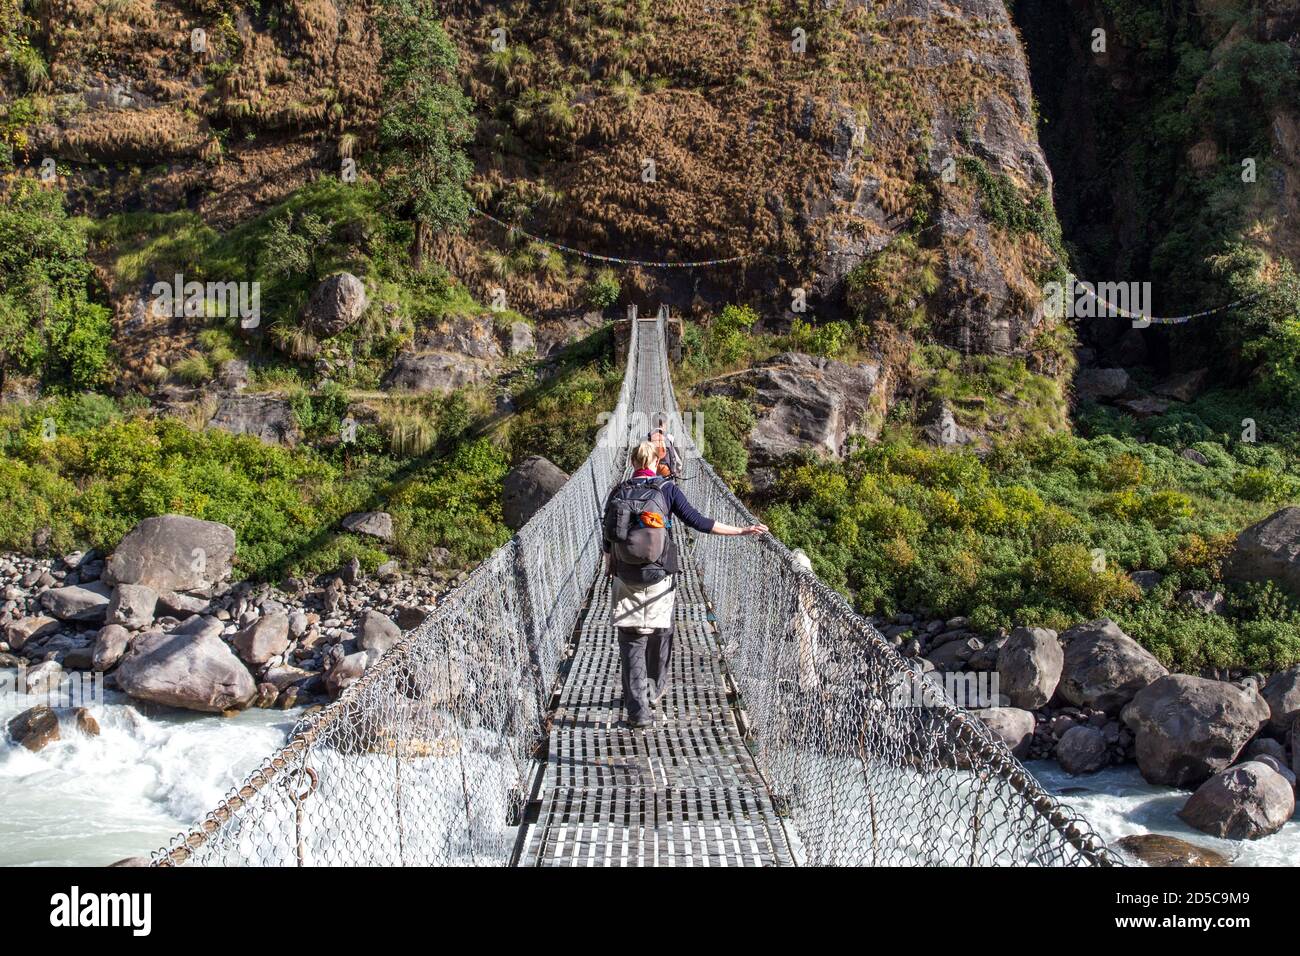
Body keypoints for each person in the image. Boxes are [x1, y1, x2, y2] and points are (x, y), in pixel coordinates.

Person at [602, 441, 766, 728]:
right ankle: (654, 692)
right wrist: (741, 530)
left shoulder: (618, 491)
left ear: (632, 463)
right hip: (659, 576)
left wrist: (609, 567)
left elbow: (608, 539)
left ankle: (637, 713)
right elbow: (699, 521)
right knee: (660, 633)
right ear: (656, 462)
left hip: (625, 575)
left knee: (631, 641)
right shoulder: (666, 489)